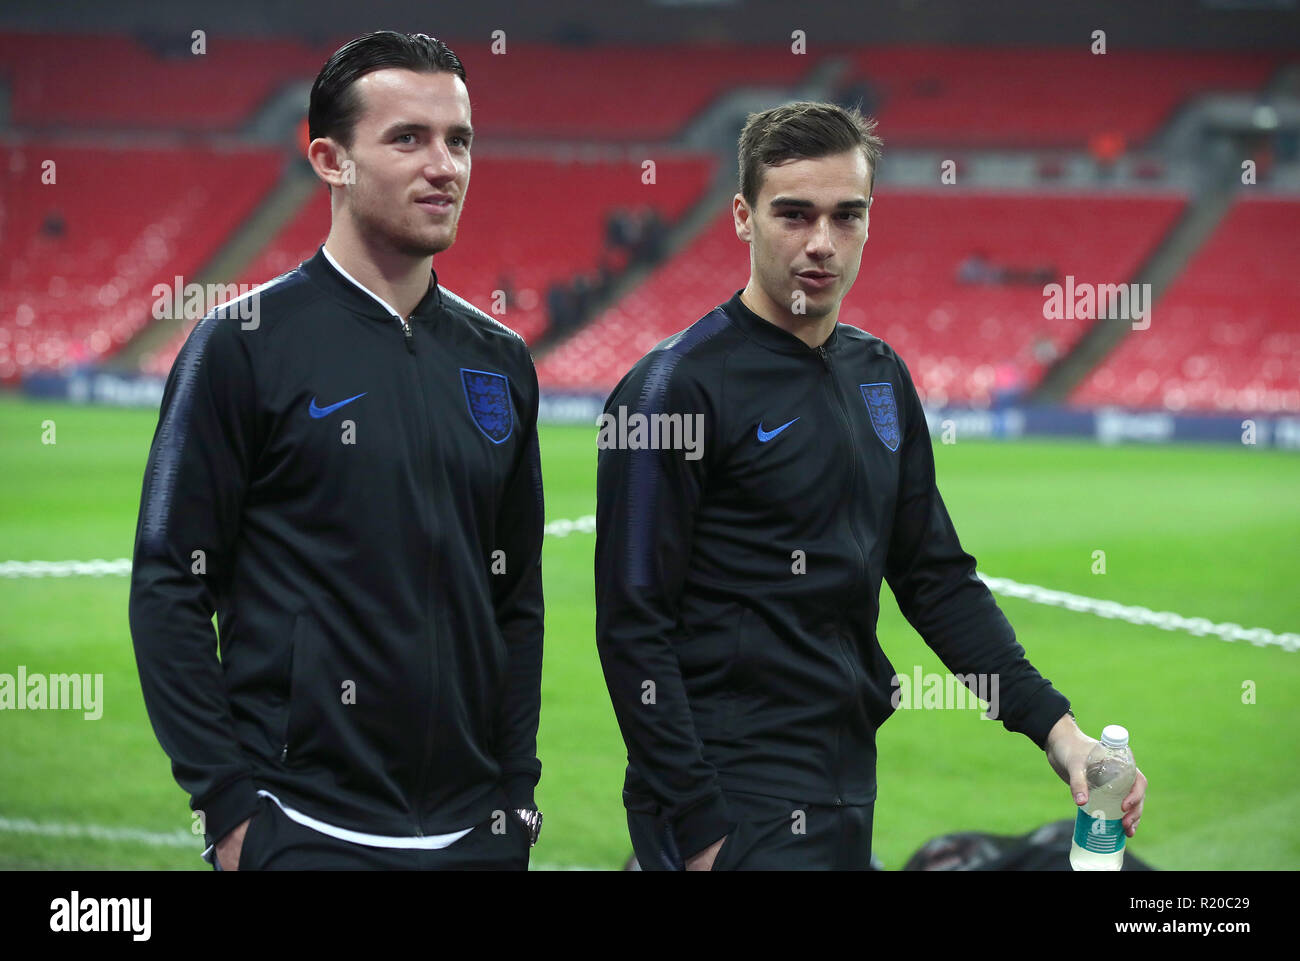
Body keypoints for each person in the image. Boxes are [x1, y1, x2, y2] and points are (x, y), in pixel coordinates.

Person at [594, 101, 1146, 870]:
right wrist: (700, 827)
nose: (821, 243)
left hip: (845, 774)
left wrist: (1060, 732)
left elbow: (934, 578)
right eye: (794, 214)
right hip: (729, 792)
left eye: (845, 215)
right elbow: (632, 624)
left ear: (868, 221)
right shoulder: (674, 389)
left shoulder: (879, 374)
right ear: (743, 216)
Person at [129, 31, 544, 871]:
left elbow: (515, 599)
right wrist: (231, 808)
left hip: (472, 834)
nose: (445, 165)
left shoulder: (499, 360)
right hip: (301, 826)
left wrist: (515, 795)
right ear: (330, 160)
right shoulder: (242, 345)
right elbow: (171, 584)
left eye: (458, 139)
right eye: (408, 138)